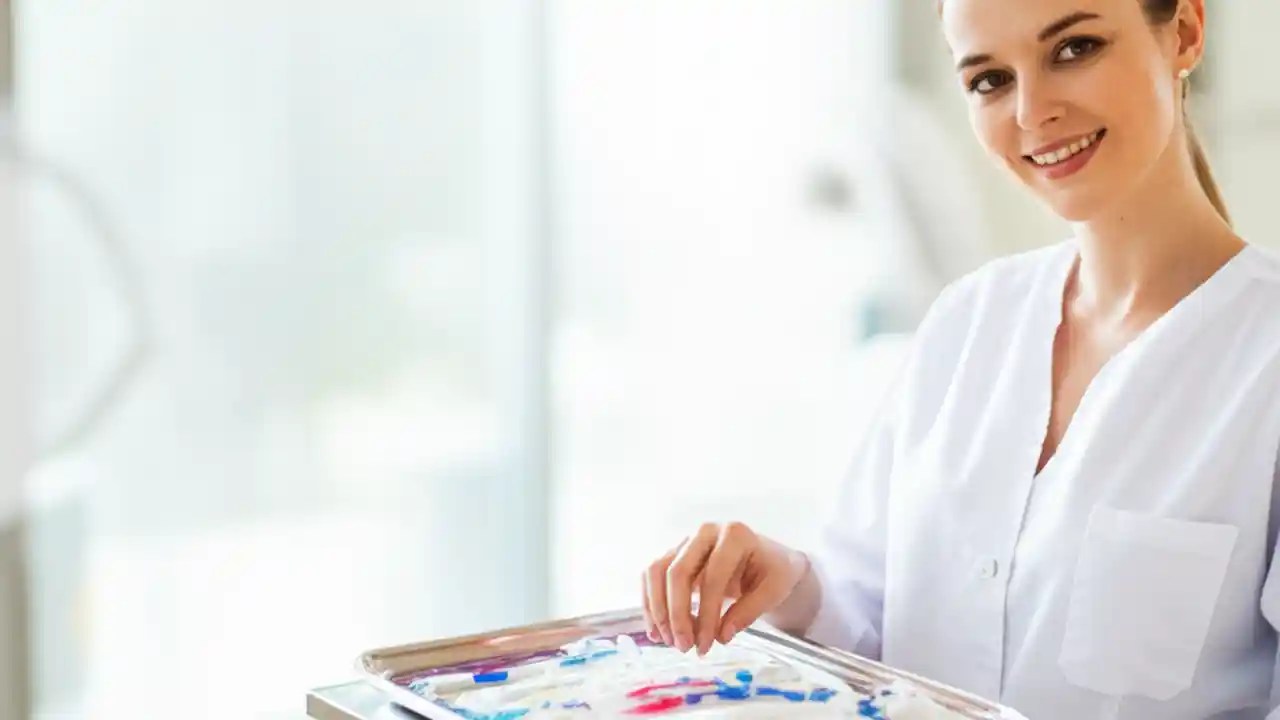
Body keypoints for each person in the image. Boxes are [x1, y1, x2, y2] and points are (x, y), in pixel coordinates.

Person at [641, 1, 1280, 717]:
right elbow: (875, 626)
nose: (1033, 111)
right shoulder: (966, 323)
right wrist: (784, 581)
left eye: (1075, 49)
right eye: (989, 81)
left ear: (1185, 31)